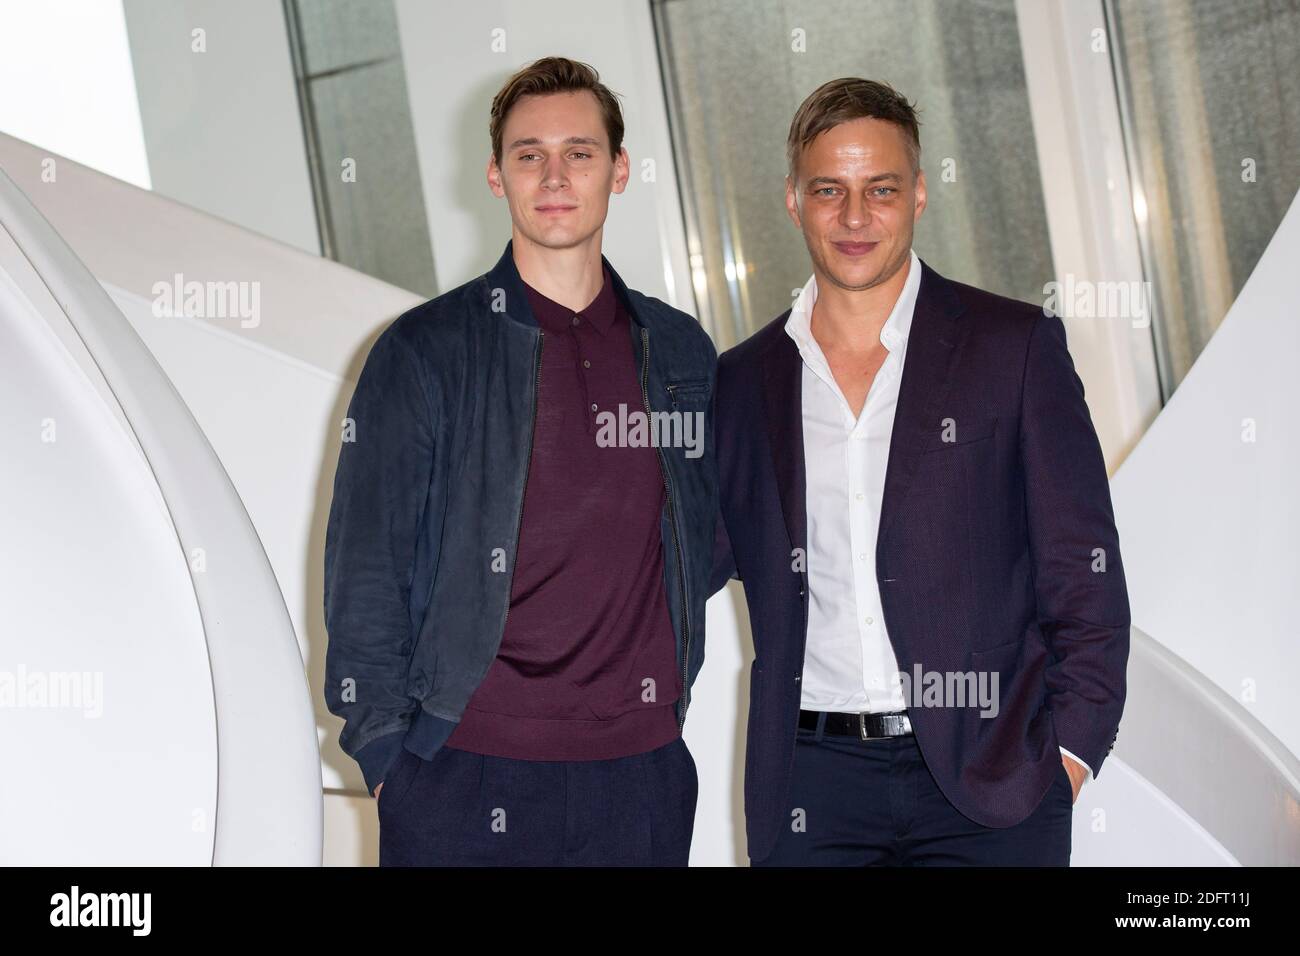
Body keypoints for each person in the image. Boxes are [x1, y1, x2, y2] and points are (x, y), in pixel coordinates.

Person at [711, 77, 1130, 865]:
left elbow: (1085, 568)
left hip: (993, 782)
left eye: (882, 189)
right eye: (829, 190)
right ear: (794, 200)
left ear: (921, 195)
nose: (856, 217)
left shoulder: (1015, 348)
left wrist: (1071, 751)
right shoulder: (742, 381)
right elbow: (688, 555)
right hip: (812, 786)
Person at [324, 56, 717, 866]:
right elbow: (366, 570)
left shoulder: (678, 350)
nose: (555, 174)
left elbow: (706, 543)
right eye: (528, 154)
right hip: (460, 776)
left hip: (639, 776)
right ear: (497, 177)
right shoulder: (424, 351)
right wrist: (390, 758)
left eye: (579, 151)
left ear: (619, 169)